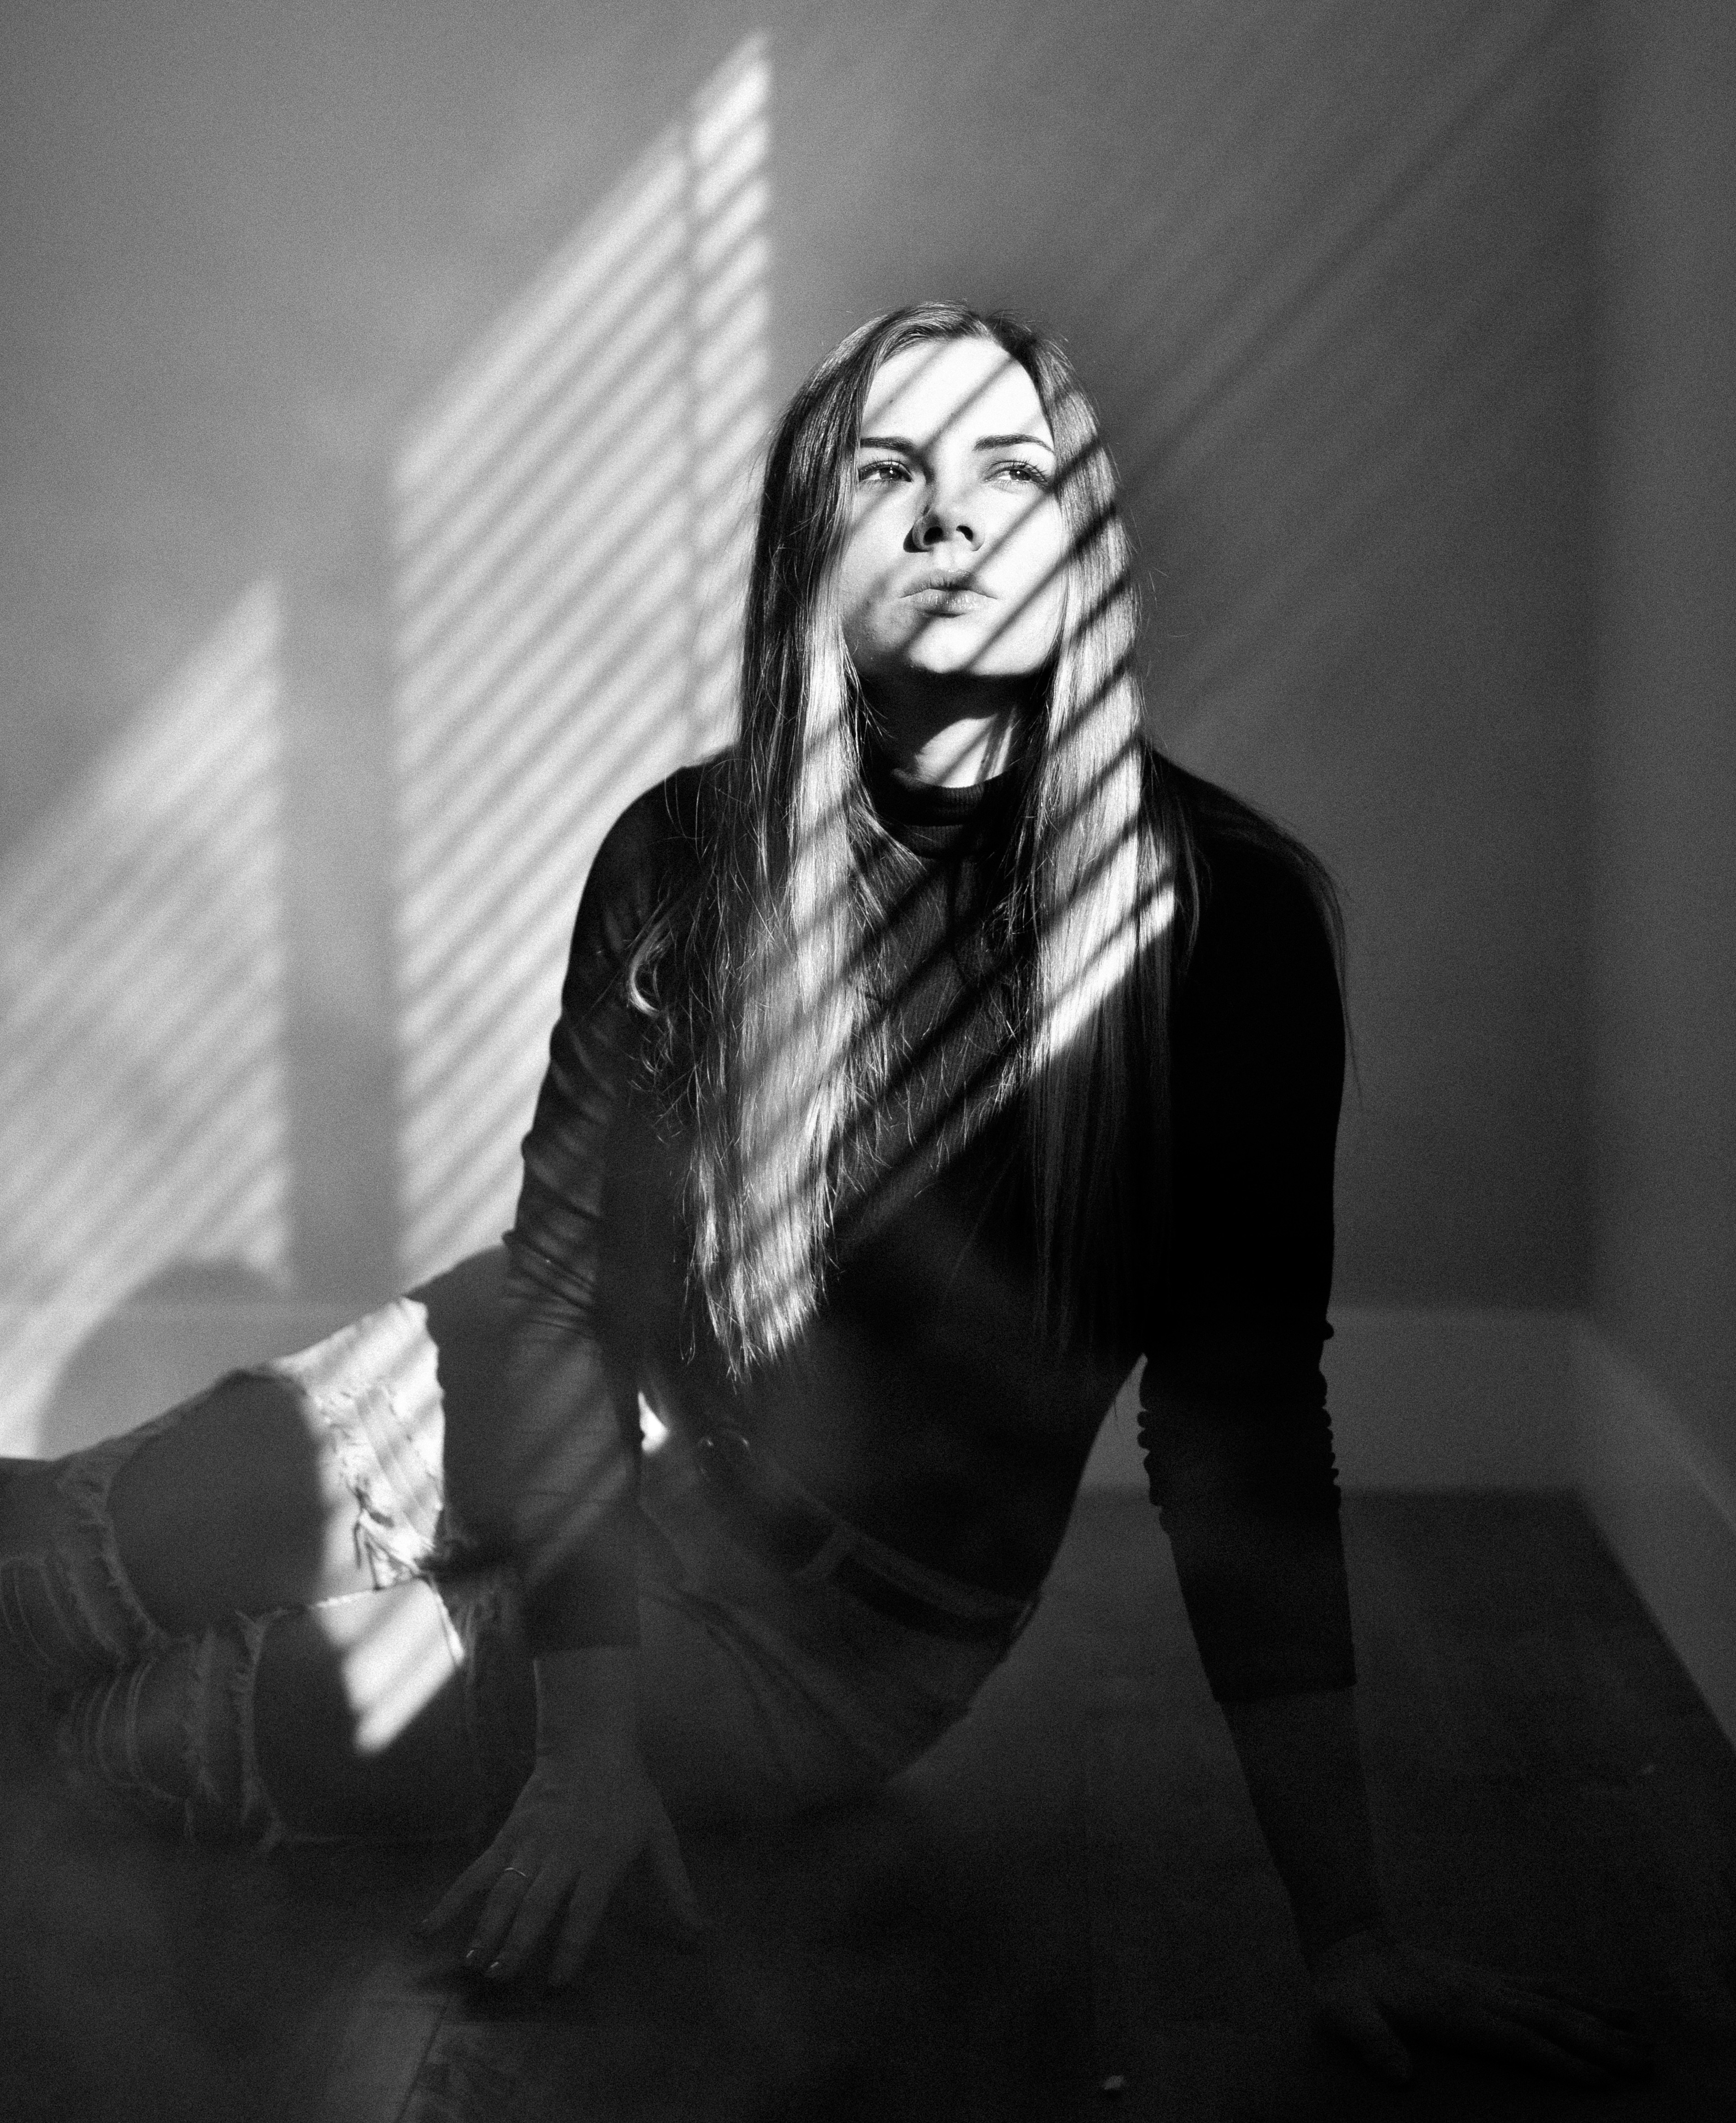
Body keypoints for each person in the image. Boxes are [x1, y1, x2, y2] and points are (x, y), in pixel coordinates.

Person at [0, 304, 1646, 2090]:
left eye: (1009, 472)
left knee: (140, 1744)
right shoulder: (682, 857)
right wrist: (577, 1751)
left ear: (1079, 539)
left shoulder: (1221, 927)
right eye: (892, 473)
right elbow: (561, 1300)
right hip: (589, 1392)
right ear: (813, 545)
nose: (951, 519)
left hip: (827, 1622)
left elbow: (1239, 1428)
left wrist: (1351, 1938)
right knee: (60, 1570)